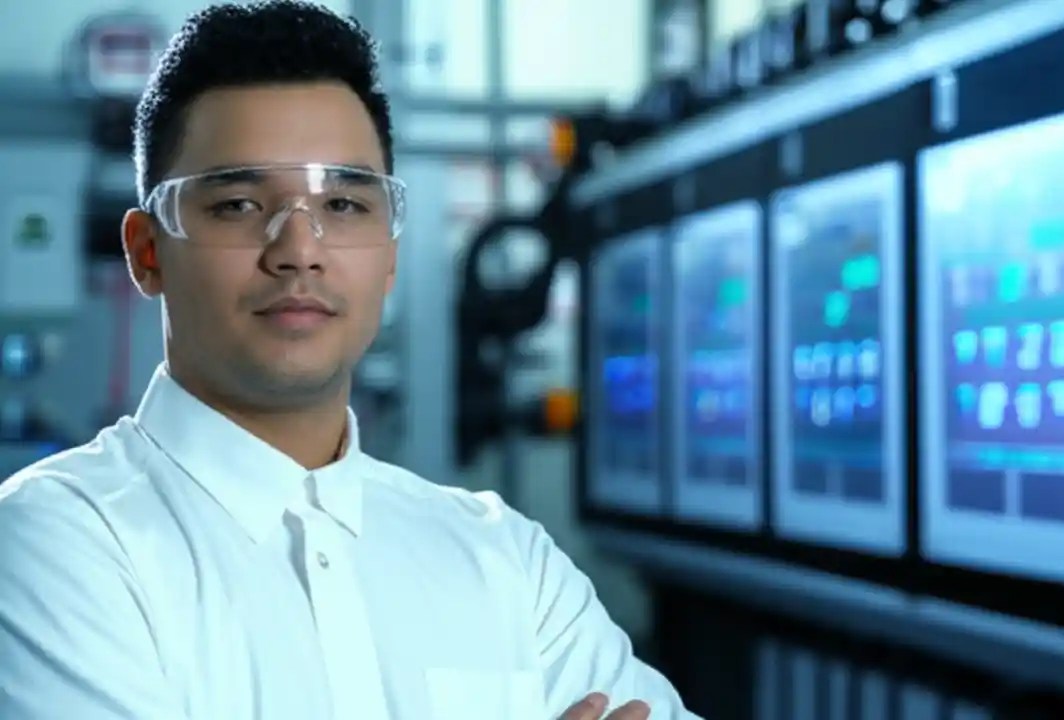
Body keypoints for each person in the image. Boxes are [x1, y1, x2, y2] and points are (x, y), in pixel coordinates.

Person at [0, 3, 702, 719]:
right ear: (147, 253)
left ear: (390, 255)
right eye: (240, 204)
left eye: (342, 205)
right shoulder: (54, 543)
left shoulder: (507, 561)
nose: (299, 248)